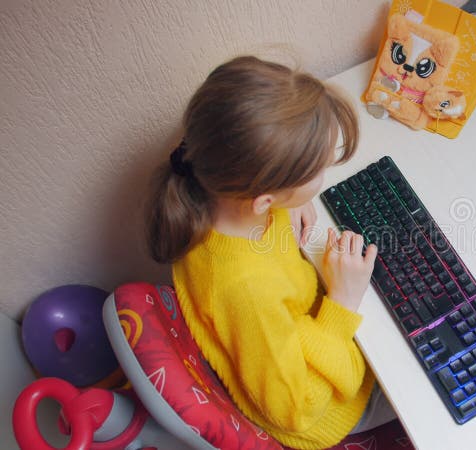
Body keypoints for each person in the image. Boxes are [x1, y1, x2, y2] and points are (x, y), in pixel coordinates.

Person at [144, 56, 395, 449]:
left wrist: (291, 201)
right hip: (323, 409)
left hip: (299, 339)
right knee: (440, 376)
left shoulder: (213, 198)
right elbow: (297, 410)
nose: (325, 172)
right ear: (262, 198)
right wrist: (342, 302)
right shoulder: (245, 289)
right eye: (318, 170)